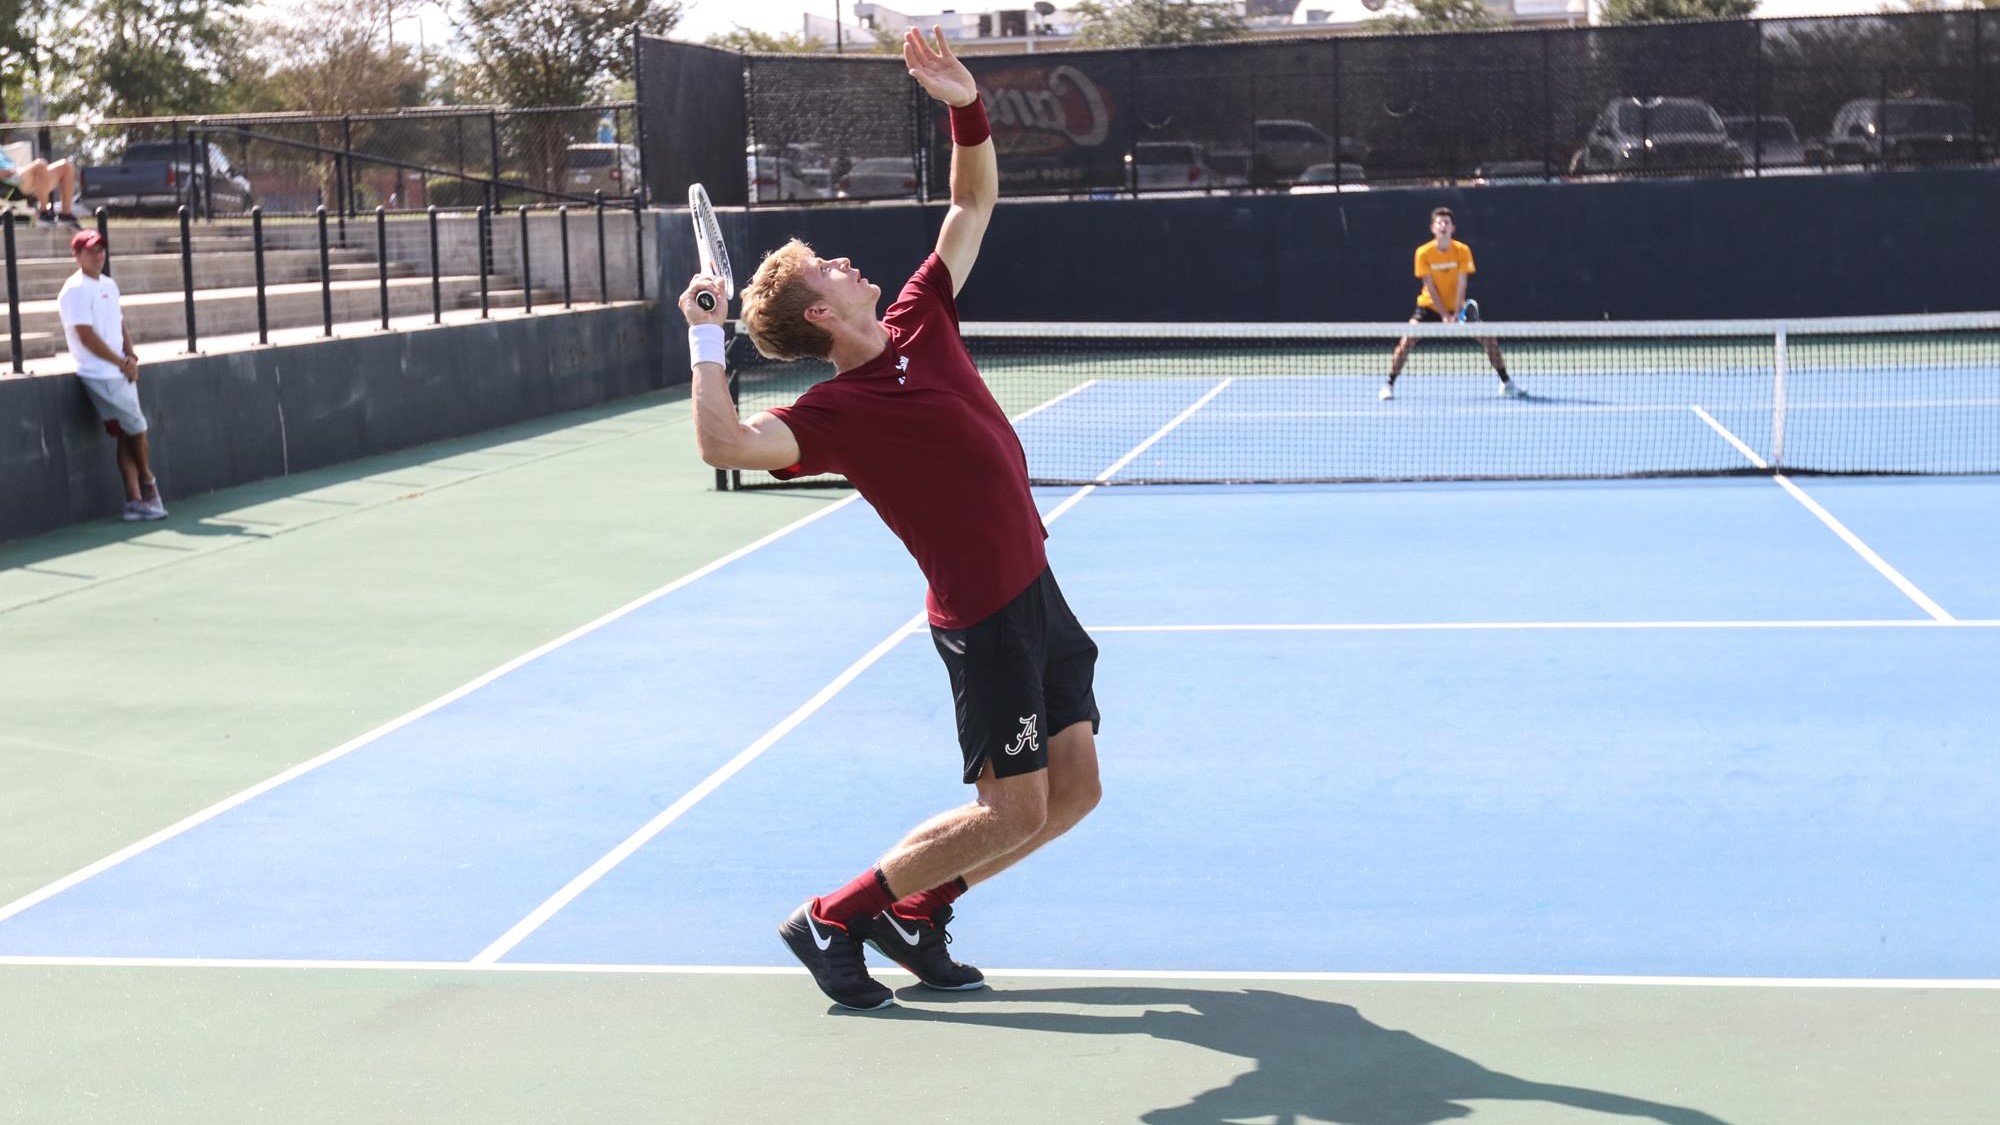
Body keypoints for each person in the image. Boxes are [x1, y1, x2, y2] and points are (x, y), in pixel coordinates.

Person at [678, 27, 1102, 1011]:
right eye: (826, 265)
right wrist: (706, 337)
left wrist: (964, 104)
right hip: (985, 619)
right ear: (820, 315)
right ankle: (834, 915)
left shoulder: (919, 312)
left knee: (1073, 791)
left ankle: (917, 908)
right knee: (1011, 810)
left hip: (1035, 590)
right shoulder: (829, 417)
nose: (845, 260)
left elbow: (971, 199)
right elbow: (725, 447)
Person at [59, 229, 165, 521]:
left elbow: (119, 324)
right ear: (77, 255)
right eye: (91, 250)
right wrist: (121, 362)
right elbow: (86, 336)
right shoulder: (74, 290)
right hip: (99, 375)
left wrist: (131, 356)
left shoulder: (109, 284)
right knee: (137, 427)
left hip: (119, 370)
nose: (98, 255)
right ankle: (148, 481)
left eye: (101, 249)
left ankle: (135, 501)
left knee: (125, 433)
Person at [1382, 207, 1520, 401]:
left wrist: (1455, 313)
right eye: (1439, 223)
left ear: (1453, 227)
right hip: (1429, 307)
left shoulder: (1462, 251)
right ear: (1433, 228)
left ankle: (1506, 382)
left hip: (1457, 308)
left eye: (1447, 222)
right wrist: (1444, 315)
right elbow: (1429, 286)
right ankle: (1388, 384)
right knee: (1406, 340)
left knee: (1489, 338)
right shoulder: (1423, 253)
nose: (1443, 226)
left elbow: (1462, 283)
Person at [0, 144, 81, 227]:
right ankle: (43, 213)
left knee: (66, 166)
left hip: (18, 173)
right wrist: (8, 172)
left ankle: (65, 215)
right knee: (40, 164)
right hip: (9, 183)